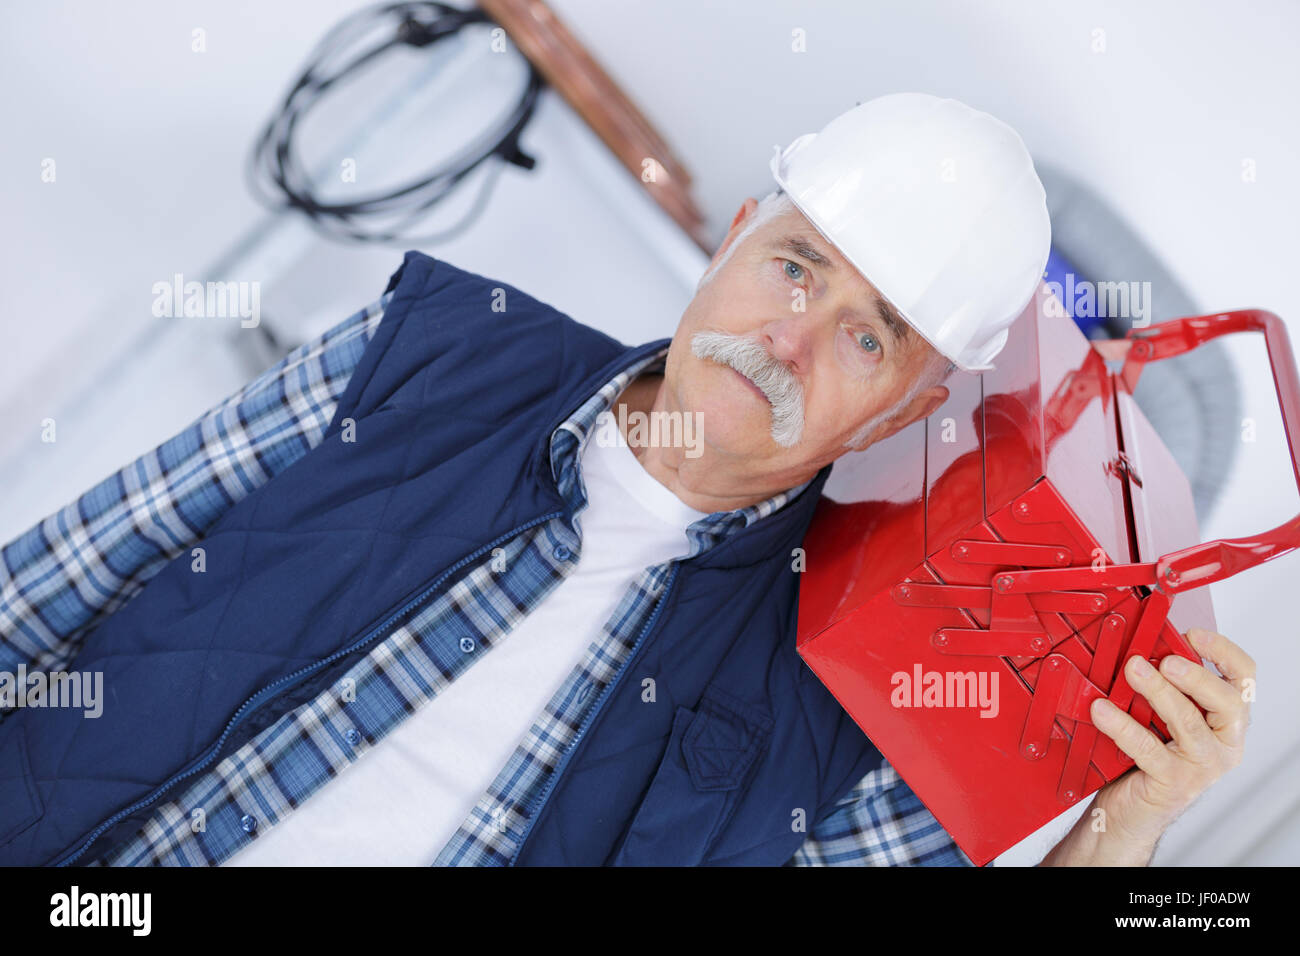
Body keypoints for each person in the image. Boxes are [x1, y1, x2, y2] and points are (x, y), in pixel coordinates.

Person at [0, 94, 1251, 867]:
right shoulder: (420, 351)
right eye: (796, 265)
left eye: (869, 336)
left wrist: (1126, 826)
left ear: (913, 405)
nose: (788, 340)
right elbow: (47, 588)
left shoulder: (852, 704)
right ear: (738, 228)